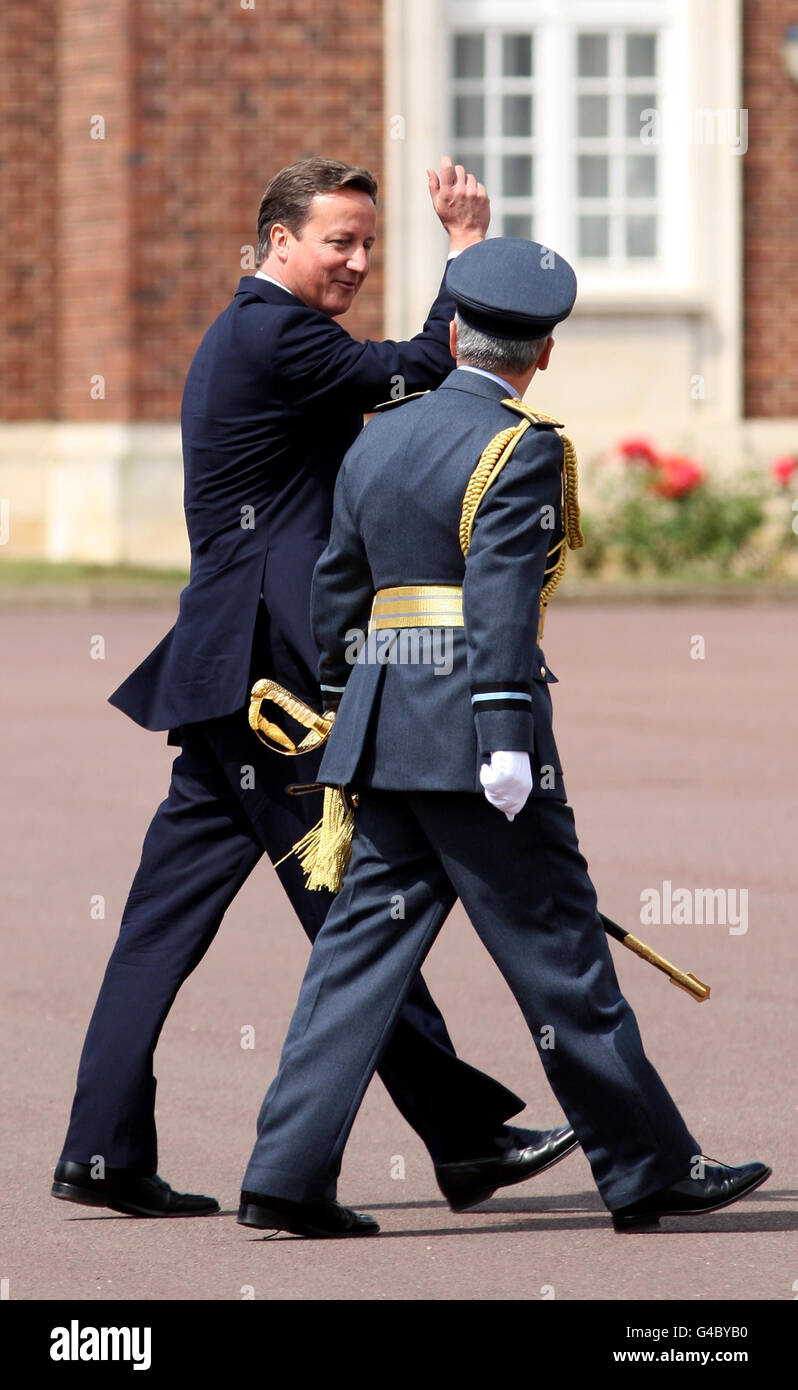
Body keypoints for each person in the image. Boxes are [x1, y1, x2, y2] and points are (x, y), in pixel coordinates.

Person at [51, 159, 579, 1222]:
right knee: (360, 910)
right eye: (338, 240)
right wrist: (467, 249)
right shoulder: (277, 334)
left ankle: (105, 1151)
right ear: (276, 243)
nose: (356, 260)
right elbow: (426, 365)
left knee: (167, 925)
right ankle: (446, 1142)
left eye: (368, 244)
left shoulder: (253, 333)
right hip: (270, 682)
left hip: (225, 673)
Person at [236, 236, 770, 1238]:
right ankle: (651, 1166)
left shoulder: (378, 437)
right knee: (561, 954)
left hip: (386, 731)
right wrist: (505, 736)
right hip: (474, 742)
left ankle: (286, 1172)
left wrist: (351, 705)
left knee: (356, 960)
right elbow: (500, 604)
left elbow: (338, 590)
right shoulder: (519, 443)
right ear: (544, 354)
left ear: (450, 336)